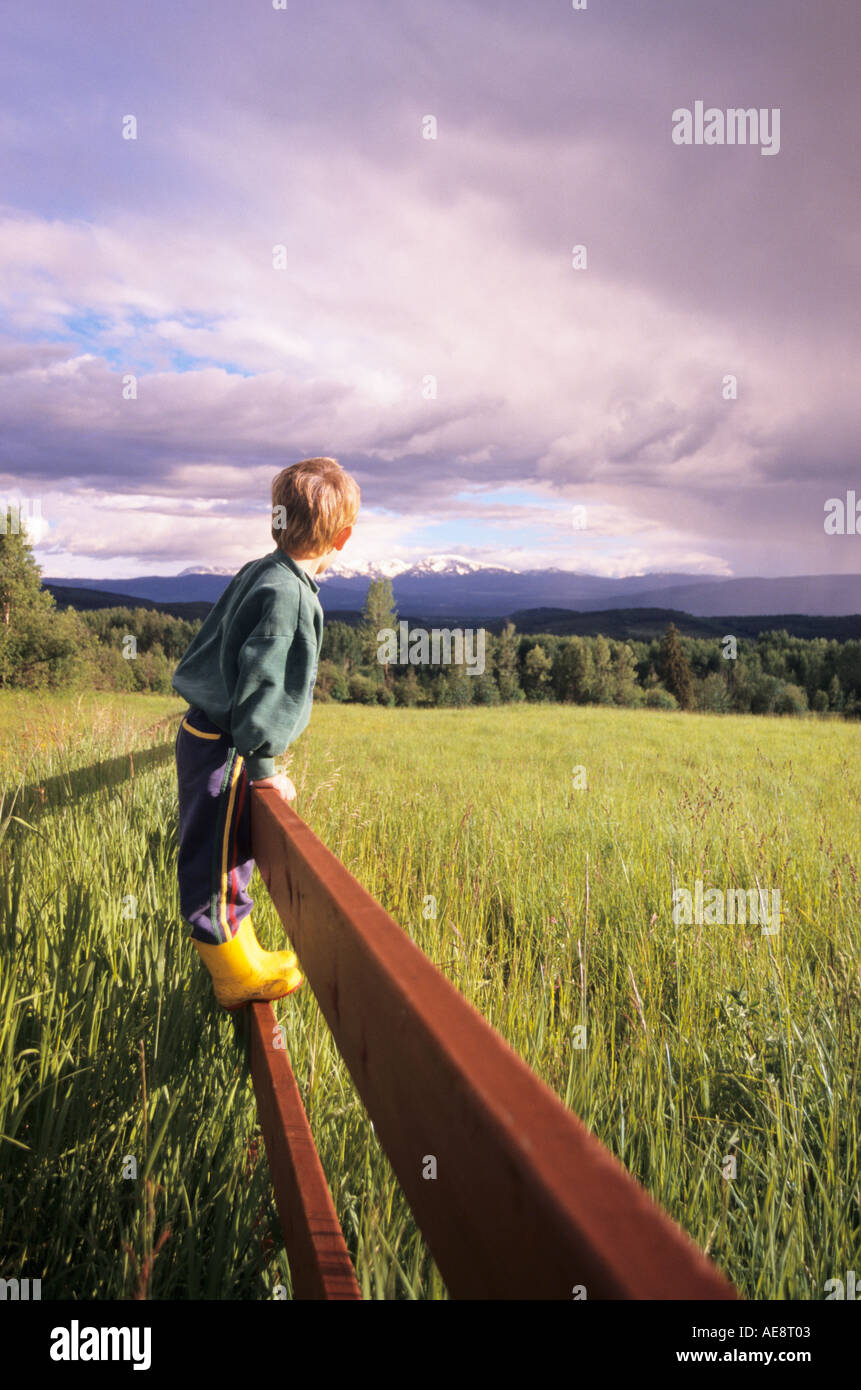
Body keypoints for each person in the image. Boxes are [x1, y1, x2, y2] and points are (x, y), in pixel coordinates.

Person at [172, 456, 360, 1009]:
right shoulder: (290, 596)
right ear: (342, 538)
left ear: (276, 521)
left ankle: (246, 954)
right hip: (227, 746)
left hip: (206, 733)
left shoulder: (264, 569)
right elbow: (263, 688)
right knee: (214, 862)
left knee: (229, 852)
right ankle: (233, 976)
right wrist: (263, 771)